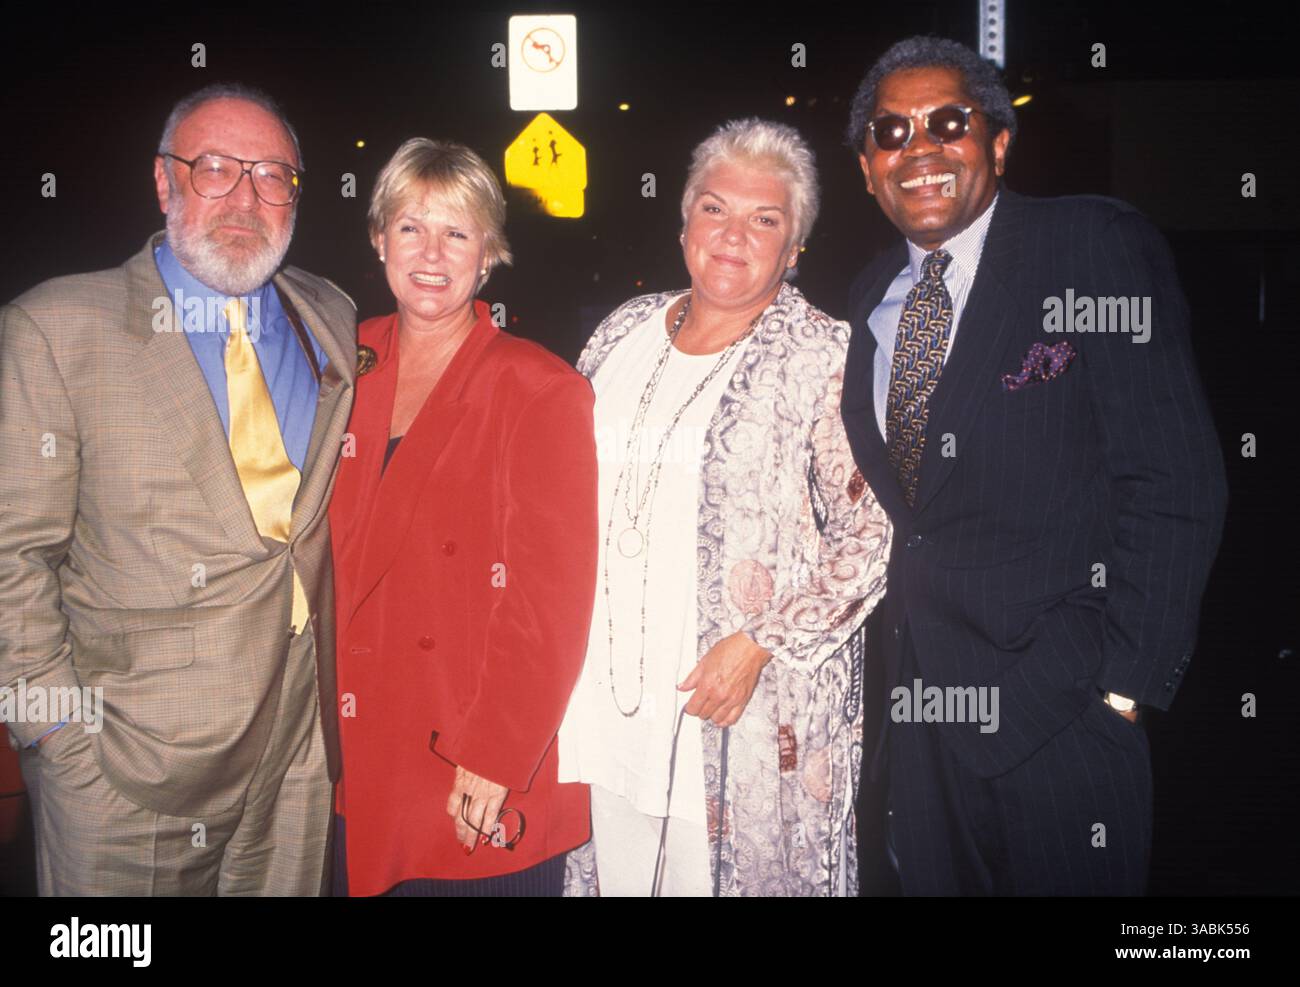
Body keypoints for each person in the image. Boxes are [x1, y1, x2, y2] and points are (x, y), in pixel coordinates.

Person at [840, 36, 1229, 895]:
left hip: (1064, 713)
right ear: (868, 169)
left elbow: (1175, 480)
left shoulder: (1088, 244)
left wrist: (1124, 688)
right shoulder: (868, 300)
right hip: (925, 724)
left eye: (949, 121)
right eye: (891, 133)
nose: (922, 148)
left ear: (998, 142)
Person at [0, 82, 357, 894]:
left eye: (273, 175)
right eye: (215, 168)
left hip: (297, 756)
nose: (245, 196)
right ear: (164, 181)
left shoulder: (328, 314)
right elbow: (9, 558)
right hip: (126, 777)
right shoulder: (56, 329)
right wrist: (58, 737)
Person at [559, 119, 892, 897]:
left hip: (741, 708)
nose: (733, 234)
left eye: (764, 219)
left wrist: (759, 641)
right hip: (610, 700)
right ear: (683, 224)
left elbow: (875, 531)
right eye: (714, 209)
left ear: (795, 246)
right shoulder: (623, 331)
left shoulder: (823, 355)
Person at [328, 138, 598, 896]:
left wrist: (495, 754)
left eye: (458, 232)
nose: (431, 253)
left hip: (469, 758)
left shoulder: (538, 387)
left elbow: (552, 600)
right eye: (411, 226)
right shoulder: (342, 363)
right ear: (379, 238)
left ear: (489, 255)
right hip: (359, 750)